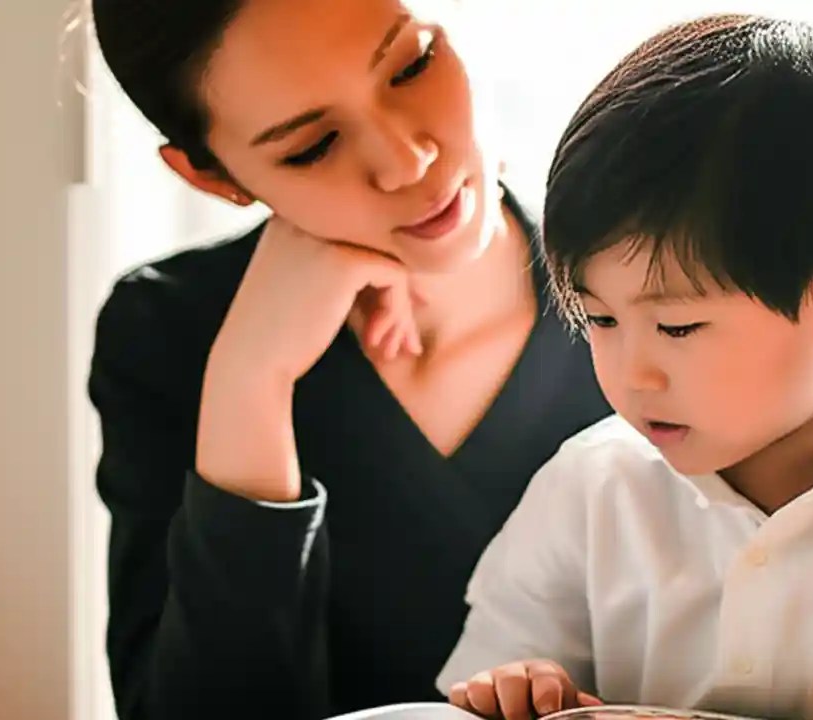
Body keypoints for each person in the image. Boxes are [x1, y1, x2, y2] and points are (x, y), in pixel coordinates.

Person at [436, 14, 813, 720]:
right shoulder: (586, 494)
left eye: (677, 325)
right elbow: (481, 683)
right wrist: (513, 684)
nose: (630, 374)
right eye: (600, 320)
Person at [84, 0, 611, 717]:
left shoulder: (659, 288)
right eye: (312, 146)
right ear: (214, 179)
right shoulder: (167, 332)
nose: (408, 161)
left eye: (414, 65)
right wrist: (252, 380)